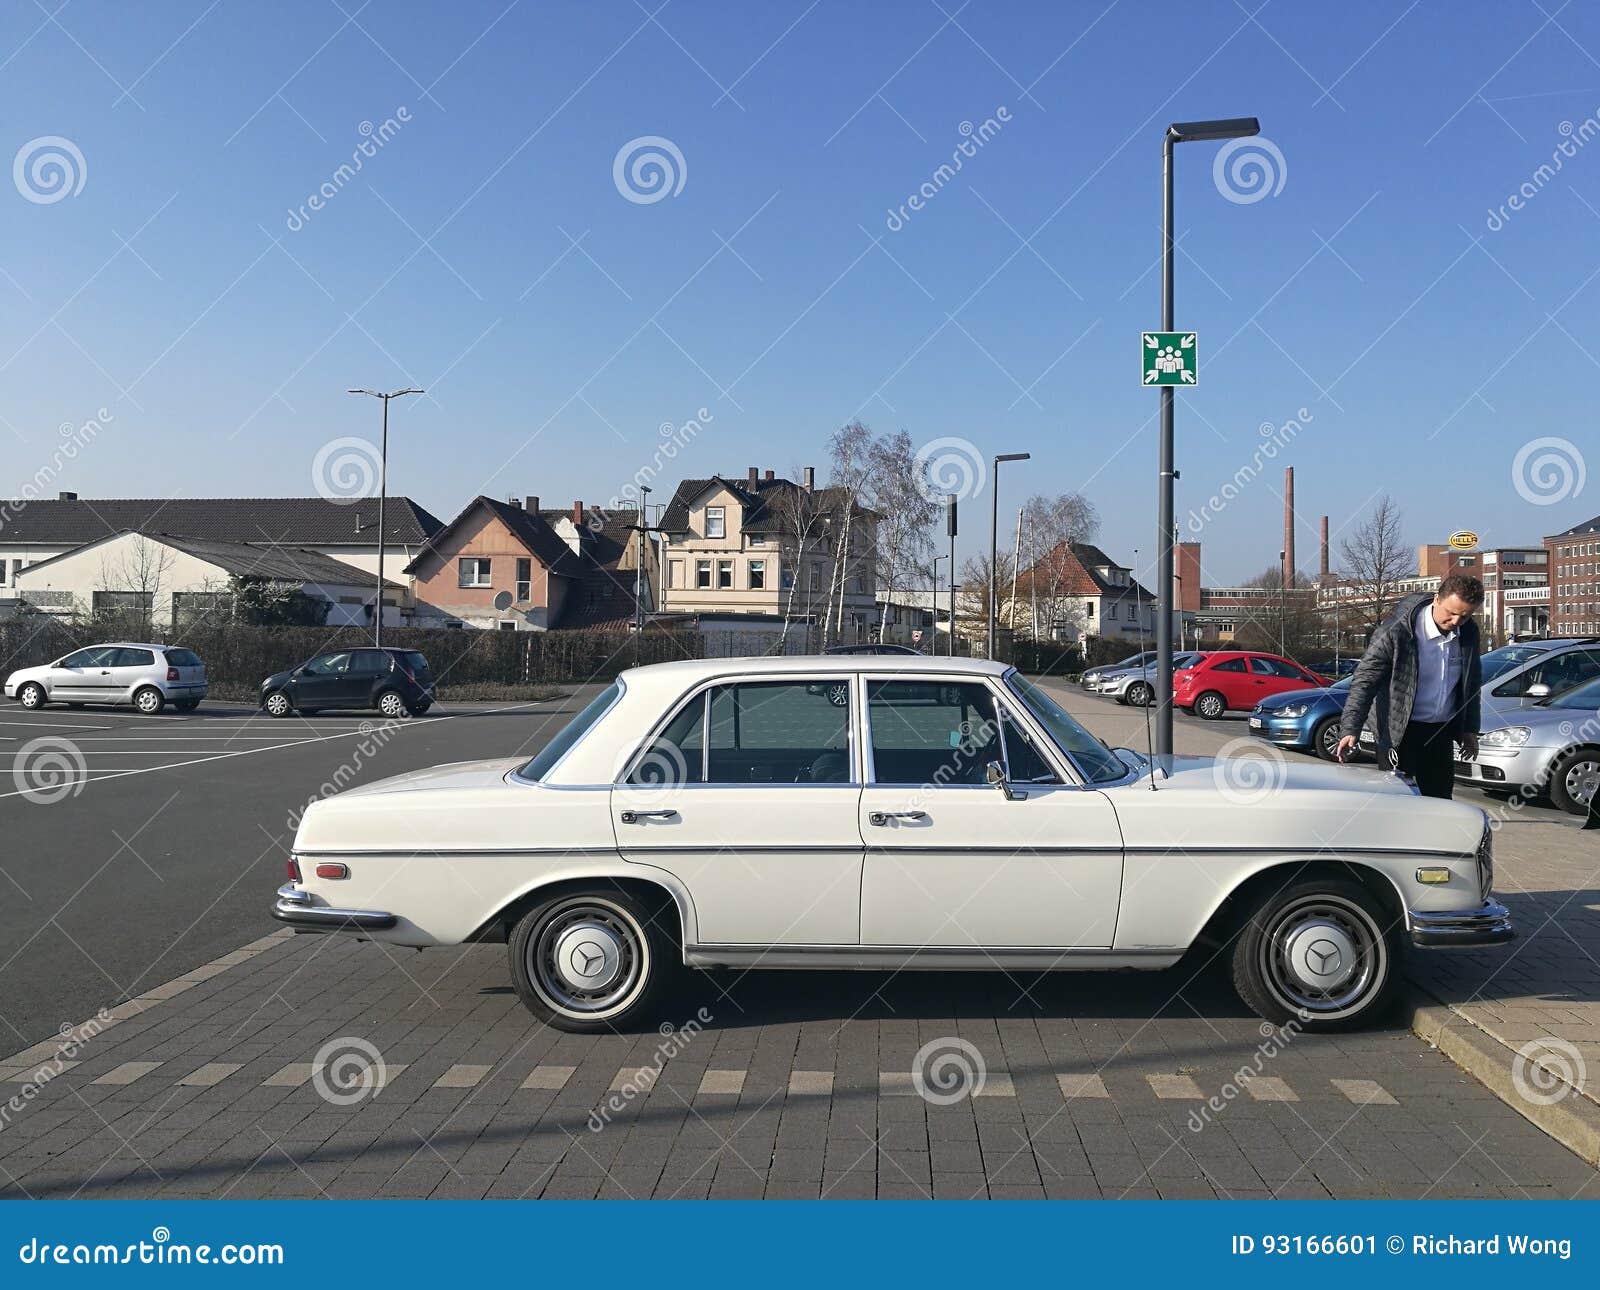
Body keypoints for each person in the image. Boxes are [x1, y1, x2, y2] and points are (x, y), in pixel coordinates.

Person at [1335, 573, 1484, 799]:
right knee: (1398, 801)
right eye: (1451, 614)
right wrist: (1350, 728)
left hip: (1440, 731)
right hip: (1399, 731)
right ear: (1436, 600)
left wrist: (1469, 728)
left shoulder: (1469, 632)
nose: (1455, 622)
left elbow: (1471, 683)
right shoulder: (1395, 631)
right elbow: (1365, 680)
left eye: (1464, 616)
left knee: (1440, 802)